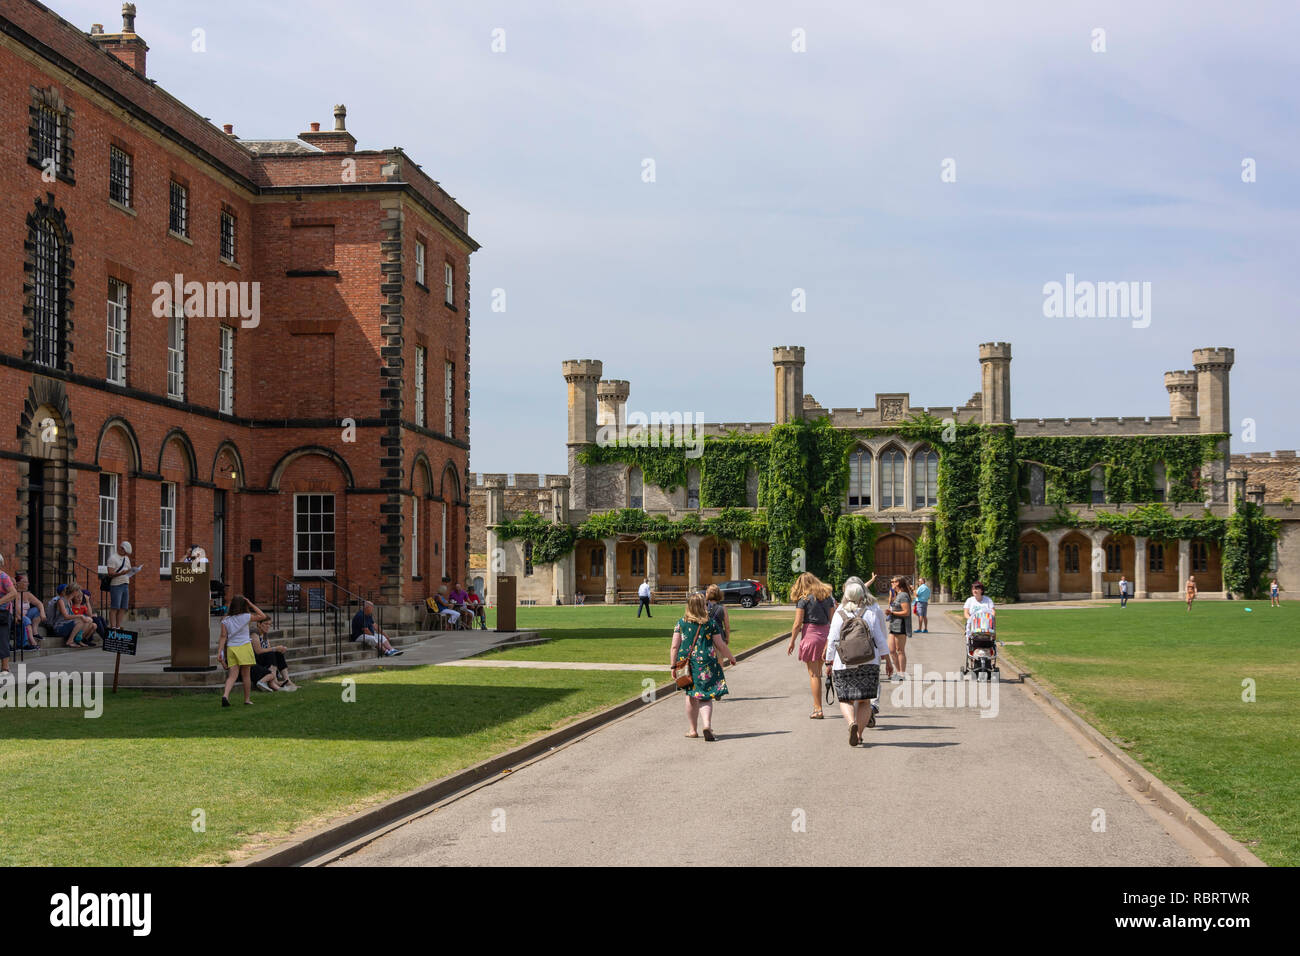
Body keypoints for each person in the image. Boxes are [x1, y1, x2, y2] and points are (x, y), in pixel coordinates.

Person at [825, 580, 891, 746]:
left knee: (845, 699)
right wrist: (888, 661)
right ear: (862, 596)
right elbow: (880, 639)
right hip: (869, 661)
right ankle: (859, 734)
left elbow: (832, 640)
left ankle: (851, 723)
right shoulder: (870, 612)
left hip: (844, 663)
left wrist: (828, 661)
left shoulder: (839, 612)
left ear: (846, 596)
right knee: (865, 701)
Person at [670, 591, 737, 741]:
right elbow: (720, 645)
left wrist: (673, 666)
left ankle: (693, 729)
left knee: (691, 696)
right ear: (703, 606)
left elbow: (674, 646)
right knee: (706, 696)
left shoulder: (681, 623)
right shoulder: (711, 623)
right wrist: (731, 658)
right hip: (706, 662)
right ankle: (707, 725)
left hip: (687, 664)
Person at [787, 572, 837, 718]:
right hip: (826, 636)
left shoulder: (803, 600)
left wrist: (792, 641)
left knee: (814, 675)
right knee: (819, 673)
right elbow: (833, 621)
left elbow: (797, 624)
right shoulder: (827, 597)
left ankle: (818, 709)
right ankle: (819, 706)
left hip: (811, 636)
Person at [218, 595, 266, 706]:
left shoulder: (225, 620)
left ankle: (225, 695)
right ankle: (247, 699)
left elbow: (223, 636)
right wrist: (251, 604)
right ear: (244, 605)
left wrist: (220, 652)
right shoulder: (246, 616)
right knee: (246, 675)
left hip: (231, 648)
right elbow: (262, 615)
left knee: (232, 675)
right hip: (244, 646)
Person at [252, 618, 297, 691]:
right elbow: (258, 651)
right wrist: (275, 648)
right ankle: (274, 682)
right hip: (255, 660)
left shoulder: (265, 634)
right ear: (259, 624)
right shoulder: (254, 634)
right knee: (272, 653)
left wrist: (279, 649)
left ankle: (287, 680)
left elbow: (269, 649)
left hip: (263, 658)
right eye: (266, 624)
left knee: (278, 654)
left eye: (269, 624)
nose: (268, 626)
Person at [885, 577, 913, 681]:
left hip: (901, 625)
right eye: (891, 581)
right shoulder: (898, 595)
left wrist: (892, 613)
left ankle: (902, 674)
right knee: (891, 650)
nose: (891, 583)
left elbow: (906, 612)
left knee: (900, 650)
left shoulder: (903, 595)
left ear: (899, 583)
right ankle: (898, 672)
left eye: (893, 581)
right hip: (893, 625)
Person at [106, 540, 135, 630]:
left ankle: (118, 626)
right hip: (116, 584)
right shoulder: (113, 558)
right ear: (121, 548)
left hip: (125, 583)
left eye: (126, 552)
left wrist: (133, 571)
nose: (124, 553)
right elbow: (110, 573)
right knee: (115, 607)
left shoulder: (126, 558)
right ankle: (113, 627)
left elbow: (129, 569)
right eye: (124, 550)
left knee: (123, 607)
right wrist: (121, 574)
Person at [15, 572, 45, 650]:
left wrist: (42, 613)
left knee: (37, 610)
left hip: (26, 616)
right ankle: (32, 641)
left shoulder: (27, 594)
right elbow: (17, 611)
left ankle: (35, 632)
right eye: (25, 582)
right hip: (17, 616)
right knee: (26, 620)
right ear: (17, 583)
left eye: (27, 582)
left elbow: (39, 603)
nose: (27, 584)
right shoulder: (14, 594)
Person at [0, 554, 17, 681]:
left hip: (3, 613)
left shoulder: (3, 577)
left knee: (2, 640)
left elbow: (13, 593)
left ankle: (5, 668)